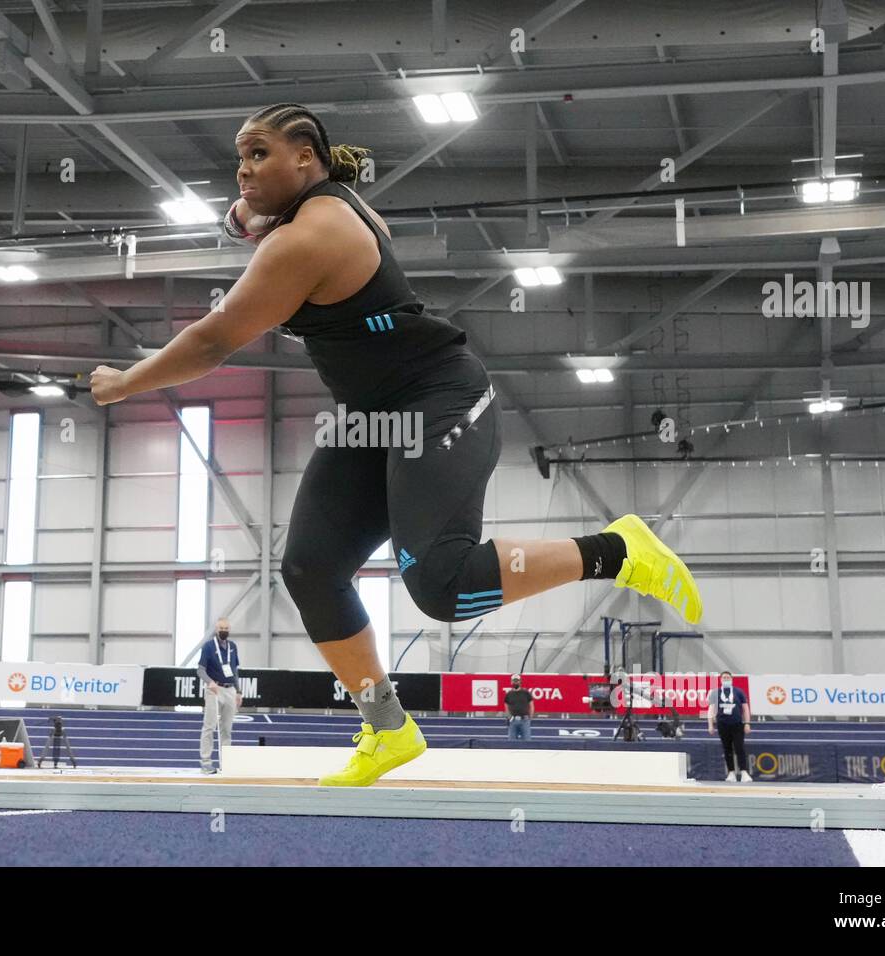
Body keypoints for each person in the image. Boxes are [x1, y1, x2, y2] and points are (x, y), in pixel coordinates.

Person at [89, 103, 703, 787]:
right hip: (370, 418)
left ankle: (618, 550)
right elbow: (256, 219)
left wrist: (126, 383)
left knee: (440, 585)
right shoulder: (321, 208)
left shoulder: (311, 234)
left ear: (306, 157)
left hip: (440, 399)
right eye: (239, 156)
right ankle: (387, 727)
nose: (242, 168)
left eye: (259, 153)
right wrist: (248, 214)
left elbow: (214, 338)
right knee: (310, 569)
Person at [196, 617, 242, 774]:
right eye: (221, 628)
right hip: (214, 690)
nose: (224, 631)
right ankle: (206, 762)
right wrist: (210, 682)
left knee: (227, 728)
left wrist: (239, 691)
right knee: (209, 726)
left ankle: (226, 762)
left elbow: (235, 671)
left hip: (230, 690)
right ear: (216, 629)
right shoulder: (208, 647)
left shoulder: (233, 647)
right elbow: (200, 670)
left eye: (227, 629)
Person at [706, 671, 752, 782]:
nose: (726, 679)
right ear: (720, 680)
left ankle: (744, 772)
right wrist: (710, 725)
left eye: (728, 677)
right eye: (724, 677)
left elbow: (745, 709)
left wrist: (747, 723)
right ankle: (731, 773)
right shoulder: (715, 692)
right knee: (727, 749)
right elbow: (711, 709)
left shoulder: (738, 692)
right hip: (722, 724)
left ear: (731, 679)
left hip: (737, 724)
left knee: (739, 748)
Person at [504, 674, 534, 740]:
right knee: (512, 742)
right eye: (514, 681)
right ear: (511, 682)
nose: (515, 682)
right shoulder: (509, 694)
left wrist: (530, 717)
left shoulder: (526, 693)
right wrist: (509, 716)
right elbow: (506, 706)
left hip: (524, 720)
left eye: (517, 681)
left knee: (527, 741)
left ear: (520, 681)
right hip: (513, 720)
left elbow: (531, 705)